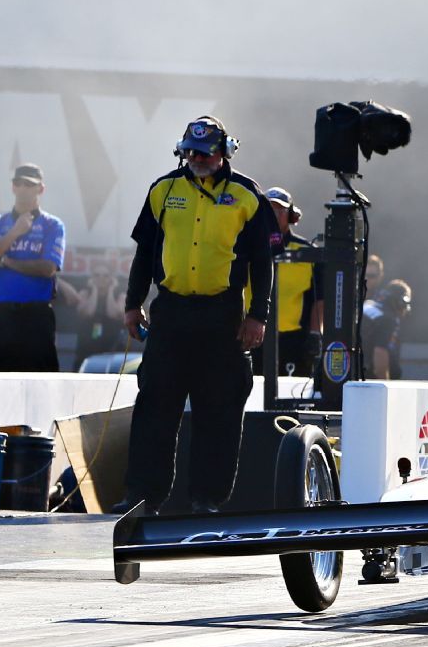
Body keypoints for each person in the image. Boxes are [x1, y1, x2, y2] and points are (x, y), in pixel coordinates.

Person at [111, 116, 276, 515]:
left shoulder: (247, 194)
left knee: (218, 410)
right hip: (171, 313)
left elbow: (262, 260)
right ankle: (143, 497)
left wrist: (258, 316)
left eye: (204, 152)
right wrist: (133, 304)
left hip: (223, 317)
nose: (196, 158)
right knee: (155, 405)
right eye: (190, 151)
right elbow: (143, 252)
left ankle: (207, 500)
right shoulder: (163, 189)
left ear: (225, 152)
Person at [0, 164, 66, 371]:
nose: (23, 188)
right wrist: (14, 233)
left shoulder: (52, 225)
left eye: (29, 184)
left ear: (40, 189)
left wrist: (6, 261)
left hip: (36, 316)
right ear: (12, 187)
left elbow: (48, 267)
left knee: (41, 380)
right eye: (18, 183)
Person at [248, 187, 323, 377]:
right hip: (252, 333)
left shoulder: (307, 252)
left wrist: (315, 333)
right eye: (269, 210)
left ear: (291, 216)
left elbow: (319, 298)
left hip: (293, 340)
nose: (273, 215)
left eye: (279, 210)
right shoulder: (246, 246)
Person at [72, 265, 128, 369]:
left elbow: (113, 314)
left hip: (111, 347)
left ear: (111, 278)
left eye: (105, 276)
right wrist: (94, 290)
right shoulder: (84, 293)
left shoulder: (120, 296)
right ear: (92, 278)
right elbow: (88, 312)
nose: (101, 278)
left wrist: (111, 290)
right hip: (87, 347)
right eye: (97, 275)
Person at [361, 279, 411, 379]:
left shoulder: (368, 304)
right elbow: (380, 353)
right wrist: (385, 384)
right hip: (368, 377)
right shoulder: (388, 320)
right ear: (401, 302)